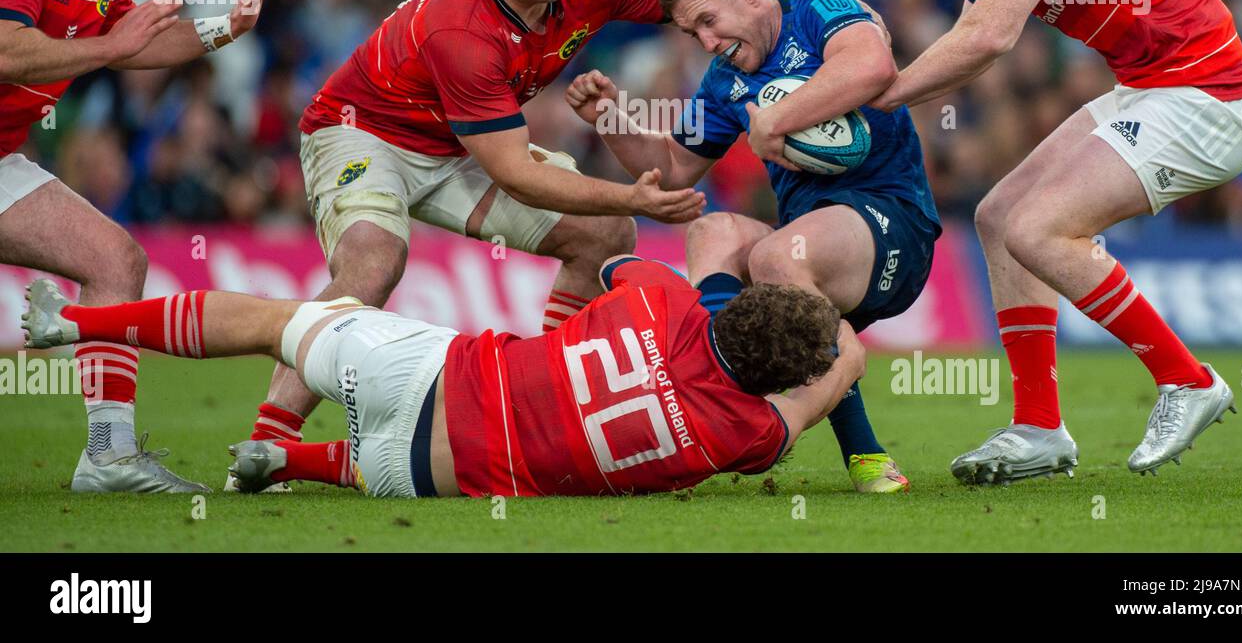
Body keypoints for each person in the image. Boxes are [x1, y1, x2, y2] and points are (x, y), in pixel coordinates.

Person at [231, 0, 706, 488]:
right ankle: (267, 444)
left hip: (459, 144)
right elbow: (517, 174)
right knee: (373, 265)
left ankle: (543, 399)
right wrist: (635, 194)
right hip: (364, 132)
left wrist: (785, 8)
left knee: (602, 233)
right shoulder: (462, 30)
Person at [870, 0, 1242, 482]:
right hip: (1153, 87)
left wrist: (880, 96)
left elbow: (992, 38)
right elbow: (970, 35)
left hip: (1209, 100)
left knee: (1038, 228)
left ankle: (1188, 378)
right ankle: (1040, 429)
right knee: (998, 215)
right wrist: (892, 93)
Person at [21, 249, 865, 498]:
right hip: (436, 474)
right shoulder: (750, 435)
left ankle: (77, 323)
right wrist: (836, 343)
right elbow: (840, 369)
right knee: (412, 462)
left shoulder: (669, 301)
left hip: (431, 374)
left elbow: (611, 261)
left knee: (269, 323)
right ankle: (291, 461)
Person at [566, 0, 942, 494]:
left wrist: (774, 122)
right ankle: (720, 408)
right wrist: (609, 118)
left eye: (709, 22)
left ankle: (864, 454)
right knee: (711, 230)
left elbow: (873, 64)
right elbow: (671, 169)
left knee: (775, 254)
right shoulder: (723, 81)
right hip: (807, 245)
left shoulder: (822, 11)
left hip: (894, 225)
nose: (708, 42)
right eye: (694, 34)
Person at [0, 0, 281, 493]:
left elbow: (136, 48)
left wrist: (227, 28)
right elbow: (5, 49)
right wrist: (107, 44)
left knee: (115, 260)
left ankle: (108, 456)